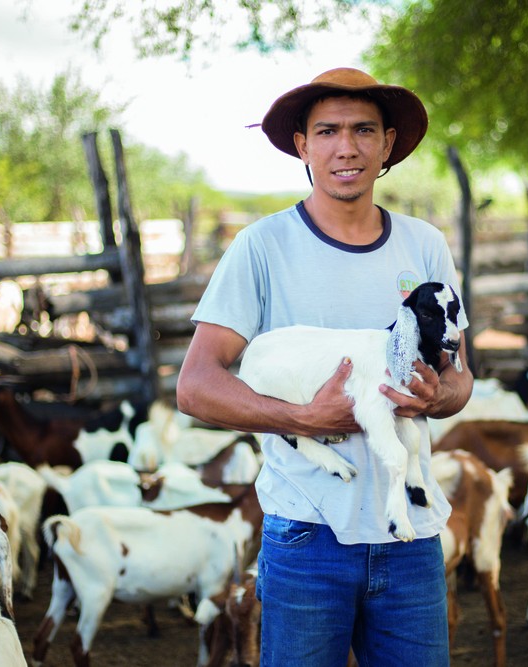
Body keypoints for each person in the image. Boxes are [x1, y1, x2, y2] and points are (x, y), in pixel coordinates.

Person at [176, 67, 473, 666]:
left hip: (411, 535)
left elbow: (460, 376)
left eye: (364, 130)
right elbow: (196, 385)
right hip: (306, 535)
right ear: (302, 145)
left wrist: (436, 396)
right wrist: (303, 418)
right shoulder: (263, 247)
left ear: (387, 143)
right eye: (328, 131)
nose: (347, 147)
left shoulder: (424, 245)